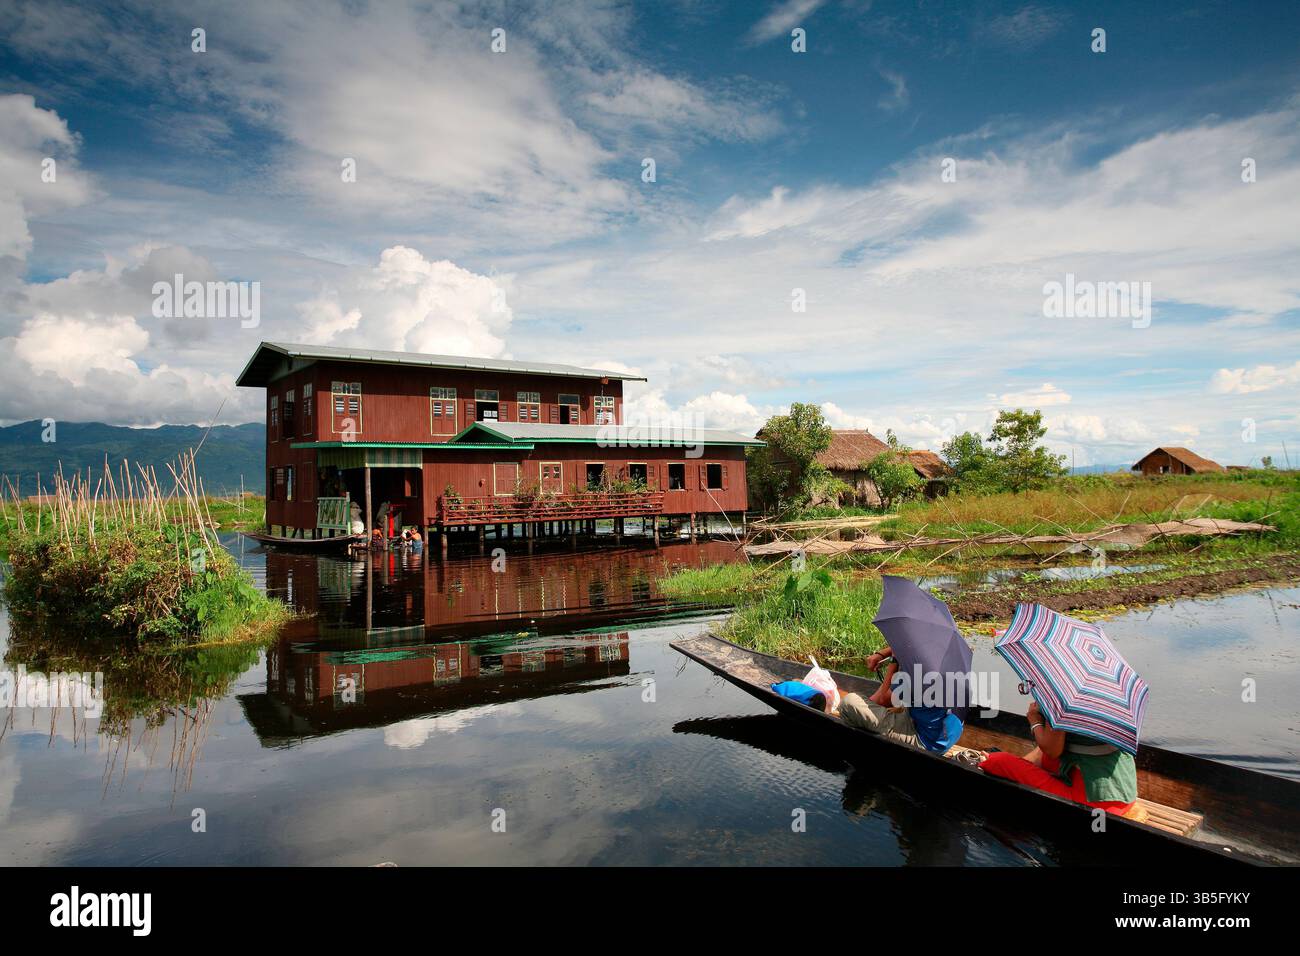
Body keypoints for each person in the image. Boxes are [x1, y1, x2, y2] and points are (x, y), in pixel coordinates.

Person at [978, 700, 1139, 816]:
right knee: (1041, 756)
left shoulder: (1061, 699)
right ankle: (1022, 771)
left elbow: (1051, 749)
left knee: (998, 761)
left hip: (1097, 804)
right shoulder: (1107, 697)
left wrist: (1034, 721)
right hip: (1126, 794)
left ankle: (993, 763)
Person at [834, 644, 964, 754]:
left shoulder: (916, 673)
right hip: (948, 733)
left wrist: (894, 662)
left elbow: (880, 699)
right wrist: (883, 653)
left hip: (926, 742)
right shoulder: (950, 659)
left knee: (848, 703)